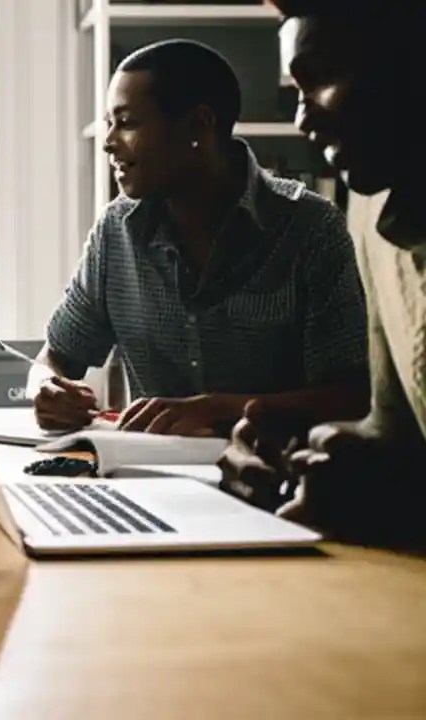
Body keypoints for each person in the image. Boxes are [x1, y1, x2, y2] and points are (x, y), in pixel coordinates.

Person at [30, 39, 368, 438]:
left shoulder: (311, 229)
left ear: (198, 126)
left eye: (127, 122)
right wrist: (45, 390)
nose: (109, 142)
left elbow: (351, 397)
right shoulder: (115, 230)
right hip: (148, 482)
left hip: (280, 483)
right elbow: (55, 357)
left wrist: (223, 410)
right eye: (109, 123)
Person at [218, 0, 426, 544]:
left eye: (325, 77)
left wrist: (393, 507)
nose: (304, 118)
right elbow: (396, 437)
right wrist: (306, 452)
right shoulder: (367, 206)